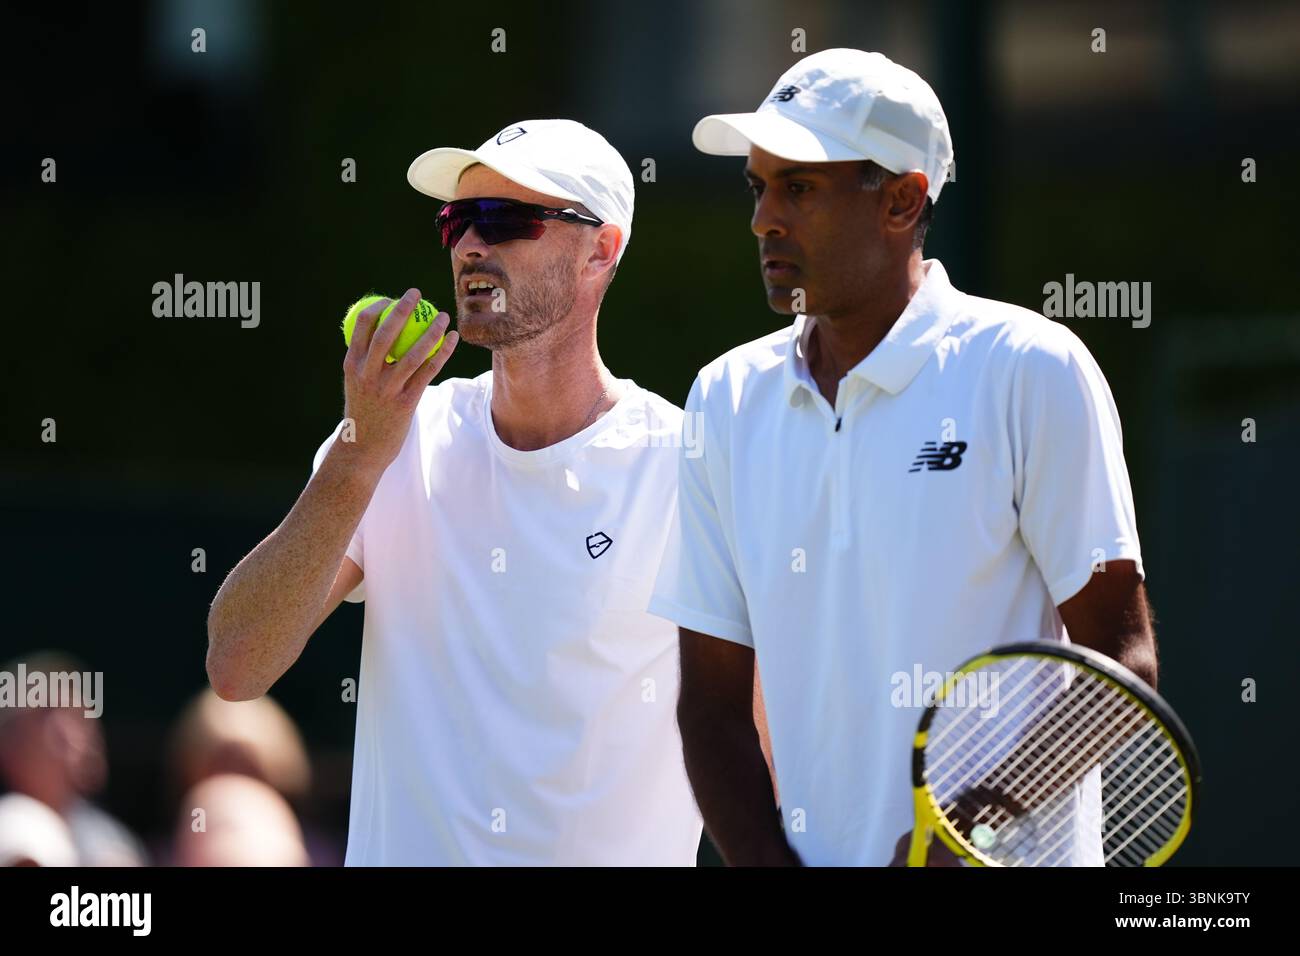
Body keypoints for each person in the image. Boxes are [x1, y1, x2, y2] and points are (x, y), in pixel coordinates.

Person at [649, 49, 1155, 866]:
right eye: (759, 186)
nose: (763, 219)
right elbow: (712, 707)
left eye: (799, 187)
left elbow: (1121, 668)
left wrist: (964, 838)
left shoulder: (1032, 367)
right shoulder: (724, 398)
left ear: (900, 200)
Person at [207, 119, 702, 865]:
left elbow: (767, 734)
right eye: (458, 220)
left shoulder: (687, 467)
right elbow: (238, 665)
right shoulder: (388, 439)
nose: (472, 244)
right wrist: (357, 457)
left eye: (506, 220)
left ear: (602, 250)